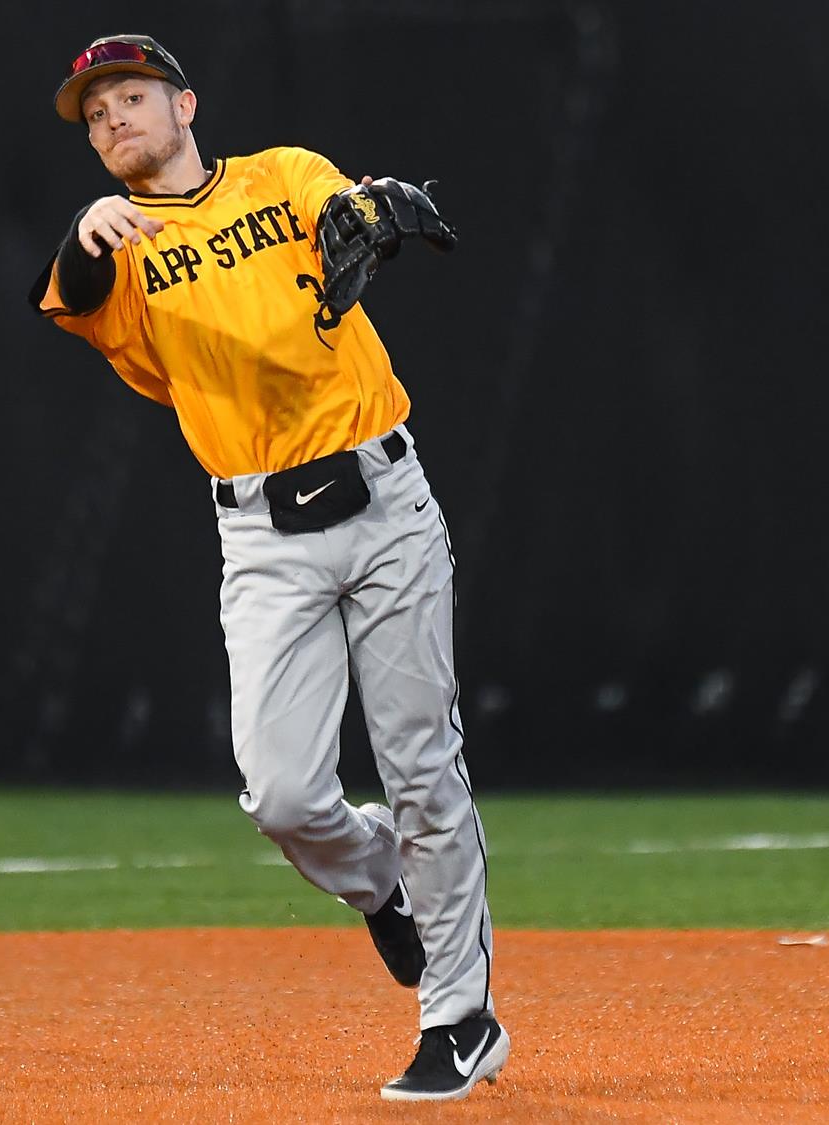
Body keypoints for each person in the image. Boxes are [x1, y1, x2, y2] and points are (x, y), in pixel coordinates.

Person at [26, 35, 507, 1102]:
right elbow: (62, 299)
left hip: (381, 495)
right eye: (93, 113)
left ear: (185, 104)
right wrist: (82, 237)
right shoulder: (117, 247)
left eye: (130, 97)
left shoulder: (280, 175)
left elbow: (354, 208)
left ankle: (458, 1017)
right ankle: (384, 886)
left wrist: (373, 208)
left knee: (418, 762)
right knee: (283, 794)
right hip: (258, 532)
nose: (111, 120)